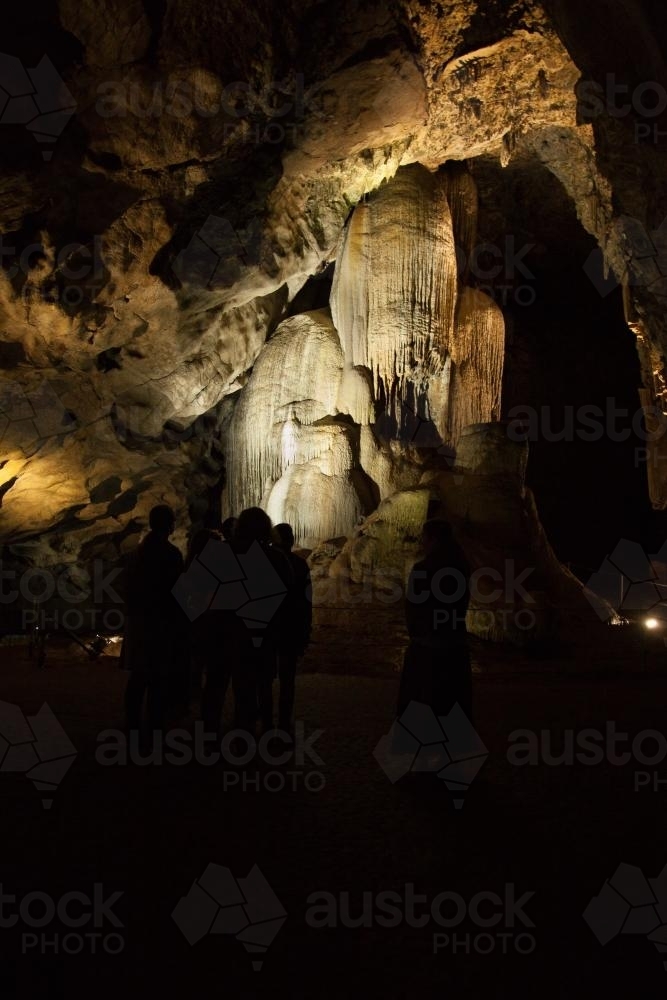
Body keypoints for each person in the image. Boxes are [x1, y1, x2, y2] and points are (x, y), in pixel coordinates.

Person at [398, 518, 472, 722]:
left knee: (424, 700)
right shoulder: (461, 567)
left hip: (428, 646)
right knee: (453, 703)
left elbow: (413, 608)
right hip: (455, 644)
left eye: (425, 538)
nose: (422, 543)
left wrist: (416, 634)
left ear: (433, 539)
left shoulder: (423, 569)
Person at [123, 505, 187, 739]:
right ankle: (154, 726)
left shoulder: (134, 555)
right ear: (169, 525)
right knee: (159, 677)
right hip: (162, 622)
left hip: (140, 621)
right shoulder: (171, 555)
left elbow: (127, 590)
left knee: (139, 676)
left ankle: (132, 725)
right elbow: (179, 592)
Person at [230, 507, 294, 736]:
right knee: (264, 683)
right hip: (267, 631)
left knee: (241, 684)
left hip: (237, 633)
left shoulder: (228, 556)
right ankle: (267, 727)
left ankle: (243, 728)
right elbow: (289, 596)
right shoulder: (276, 558)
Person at [273, 522, 312, 734]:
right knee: (288, 680)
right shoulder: (300, 564)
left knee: (264, 678)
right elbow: (306, 601)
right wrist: (306, 630)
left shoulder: (264, 562)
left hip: (269, 630)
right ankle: (284, 722)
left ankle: (266, 719)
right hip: (290, 628)